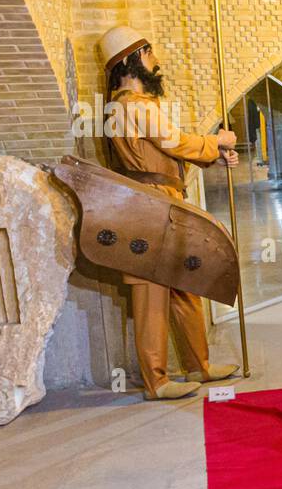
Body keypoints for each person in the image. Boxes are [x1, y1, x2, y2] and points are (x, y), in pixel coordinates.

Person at [98, 25, 241, 400]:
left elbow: (163, 157)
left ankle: (198, 365)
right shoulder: (130, 106)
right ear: (131, 60)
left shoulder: (134, 107)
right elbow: (174, 142)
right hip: (148, 206)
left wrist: (213, 160)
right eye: (149, 53)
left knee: (185, 283)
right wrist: (217, 141)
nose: (155, 60)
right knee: (152, 293)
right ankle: (156, 381)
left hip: (164, 200)